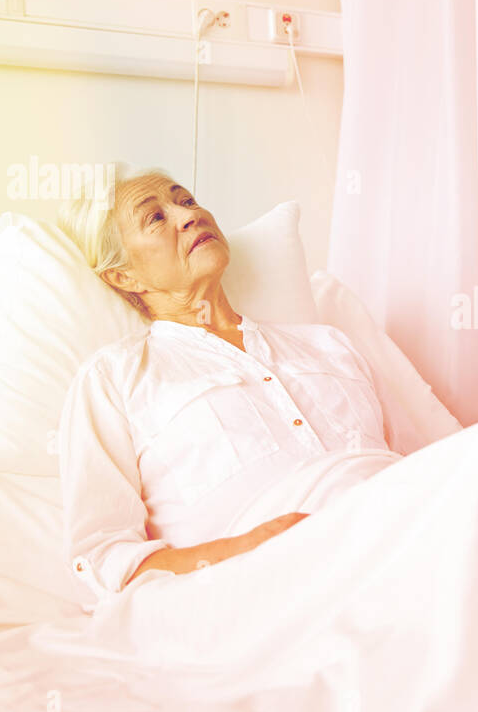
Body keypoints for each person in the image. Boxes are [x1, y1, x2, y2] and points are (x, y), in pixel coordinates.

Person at [57, 171, 399, 602]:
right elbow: (101, 560)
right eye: (156, 218)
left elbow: (427, 459)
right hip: (281, 586)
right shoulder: (114, 379)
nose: (189, 215)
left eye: (187, 200)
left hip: (407, 530)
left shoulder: (329, 346)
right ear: (124, 277)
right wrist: (242, 551)